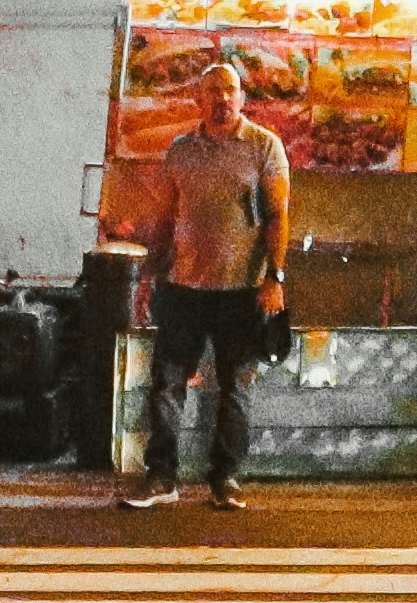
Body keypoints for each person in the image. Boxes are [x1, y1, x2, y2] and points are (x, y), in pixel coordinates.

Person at [116, 77, 296, 512]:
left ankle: (225, 479)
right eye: (213, 92)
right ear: (198, 99)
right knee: (168, 384)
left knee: (235, 387)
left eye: (229, 91)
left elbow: (278, 215)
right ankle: (161, 478)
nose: (222, 99)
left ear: (242, 97)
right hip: (183, 289)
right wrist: (150, 276)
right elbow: (165, 217)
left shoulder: (264, 146)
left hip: (243, 291)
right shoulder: (181, 150)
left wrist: (276, 278)